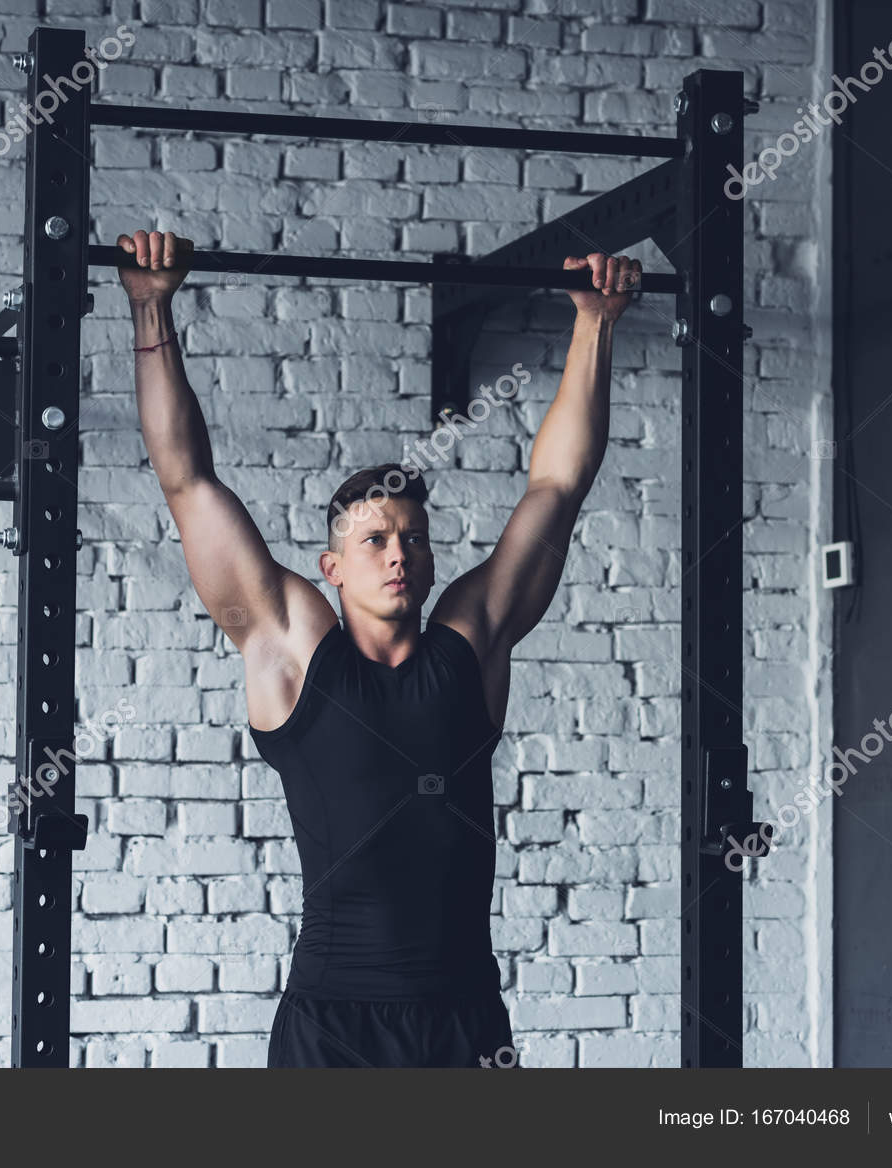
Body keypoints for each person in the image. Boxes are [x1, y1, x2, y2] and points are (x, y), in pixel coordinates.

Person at [117, 229, 641, 1067]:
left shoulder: (471, 642)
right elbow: (187, 480)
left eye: (413, 539)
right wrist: (151, 307)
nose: (399, 553)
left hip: (467, 1020)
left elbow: (558, 486)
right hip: (335, 1028)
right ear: (330, 568)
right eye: (374, 541)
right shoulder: (291, 649)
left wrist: (595, 323)